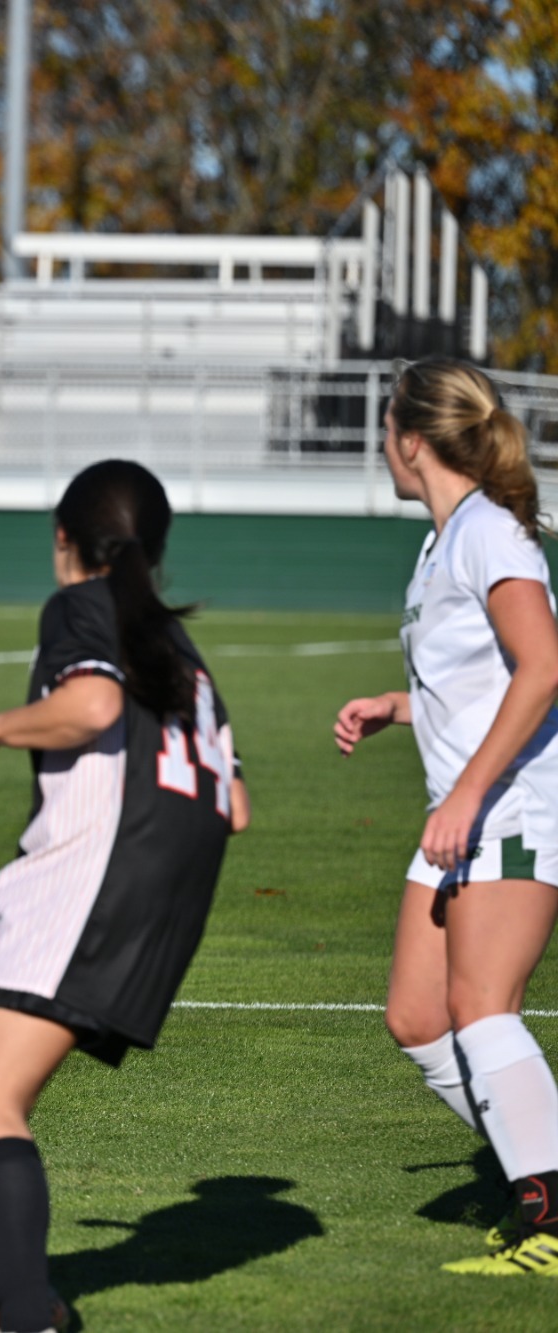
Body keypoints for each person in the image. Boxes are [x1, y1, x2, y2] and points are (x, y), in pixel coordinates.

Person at [0, 459, 249, 1333]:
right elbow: (238, 801)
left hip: (95, 874)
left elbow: (94, 704)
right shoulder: (179, 646)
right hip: (168, 885)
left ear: (65, 540)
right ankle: (15, 1292)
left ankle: (27, 1316)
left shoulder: (82, 606)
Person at [332, 357, 558, 1277]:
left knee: (477, 1006)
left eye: (387, 428)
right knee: (419, 1013)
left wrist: (468, 792)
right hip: (462, 810)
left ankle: (549, 1214)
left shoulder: (488, 535)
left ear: (411, 440)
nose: (383, 444)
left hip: (507, 804)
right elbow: (482, 678)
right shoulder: (446, 541)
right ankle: (535, 1160)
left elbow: (543, 665)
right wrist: (400, 703)